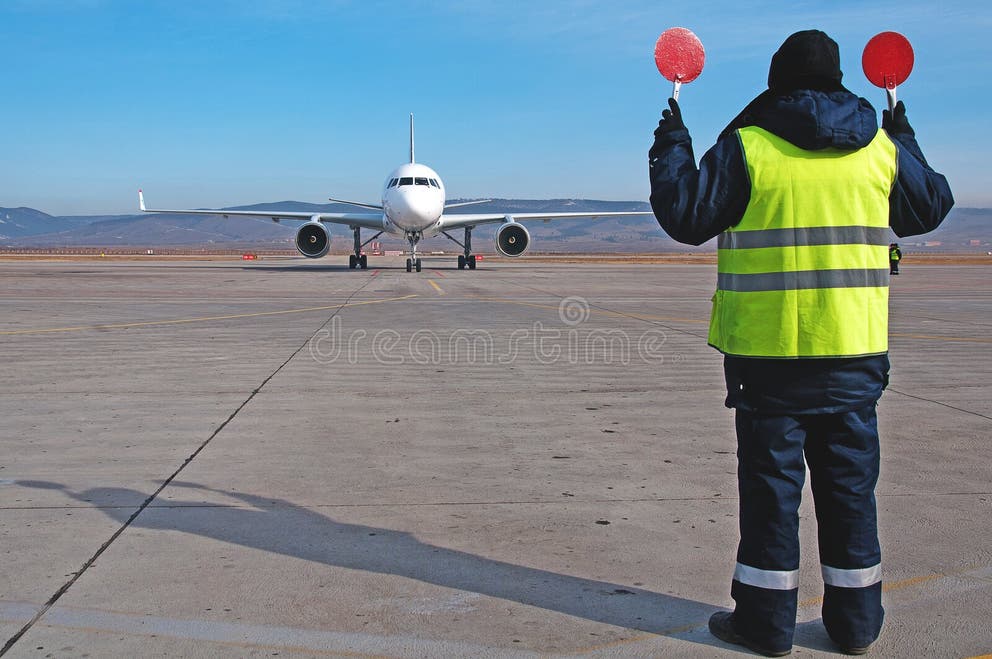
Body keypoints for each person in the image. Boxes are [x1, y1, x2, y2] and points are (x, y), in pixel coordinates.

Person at [647, 30, 953, 656]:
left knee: (770, 495)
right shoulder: (877, 149)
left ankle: (765, 623)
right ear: (841, 80)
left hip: (769, 359)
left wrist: (671, 142)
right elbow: (931, 207)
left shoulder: (748, 147)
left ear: (775, 79)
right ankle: (857, 625)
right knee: (849, 494)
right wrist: (903, 132)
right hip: (852, 354)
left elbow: (684, 214)